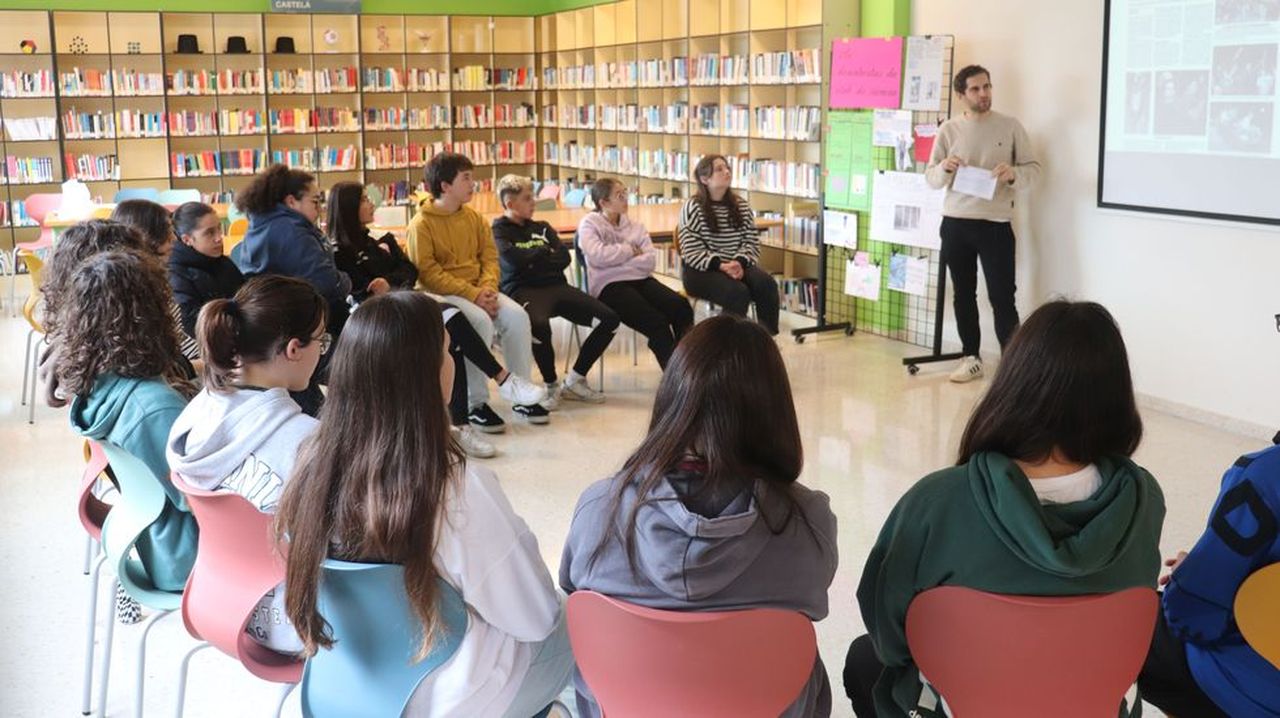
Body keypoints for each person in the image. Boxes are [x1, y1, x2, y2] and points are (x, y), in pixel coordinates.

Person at [844, 300, 1165, 718]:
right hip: (1088, 704)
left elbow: (888, 632)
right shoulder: (1143, 500)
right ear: (1117, 398)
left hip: (963, 705)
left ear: (1013, 383)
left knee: (865, 659)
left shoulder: (937, 501)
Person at [275, 291, 573, 717]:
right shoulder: (455, 487)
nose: (451, 360)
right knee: (570, 617)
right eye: (449, 350)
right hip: (448, 698)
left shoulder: (308, 467)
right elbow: (532, 617)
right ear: (429, 373)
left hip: (342, 683)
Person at [560, 314, 838, 718]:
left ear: (672, 397)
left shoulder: (599, 508)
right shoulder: (808, 520)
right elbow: (811, 605)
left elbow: (574, 597)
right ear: (774, 410)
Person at [325, 181, 544, 459]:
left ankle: (466, 420)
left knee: (451, 333)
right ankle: (501, 383)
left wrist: (388, 284)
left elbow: (409, 271)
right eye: (364, 200)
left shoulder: (379, 238)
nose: (371, 204)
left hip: (402, 302)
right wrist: (383, 284)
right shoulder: (338, 252)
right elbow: (358, 290)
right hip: (377, 319)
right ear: (347, 208)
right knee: (451, 323)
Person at [166, 276, 326, 654]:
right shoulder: (307, 441)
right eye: (322, 340)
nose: (323, 351)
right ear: (293, 349)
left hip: (220, 601)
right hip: (298, 624)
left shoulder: (195, 415)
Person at [61, 249, 199, 595]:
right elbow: (195, 498)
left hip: (158, 543)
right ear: (150, 312)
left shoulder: (99, 384)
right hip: (191, 557)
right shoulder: (152, 407)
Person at [406, 152, 546, 430]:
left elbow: (490, 258)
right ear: (445, 186)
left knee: (518, 317)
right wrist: (474, 295)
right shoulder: (421, 224)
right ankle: (476, 403)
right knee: (478, 321)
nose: (474, 183)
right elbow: (428, 273)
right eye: (466, 178)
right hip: (443, 294)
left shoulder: (475, 218)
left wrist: (488, 290)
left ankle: (521, 394)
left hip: (480, 290)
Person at [1137, 446, 1280, 716]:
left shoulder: (1266, 473)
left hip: (1239, 692)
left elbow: (1192, 617)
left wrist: (1189, 574)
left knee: (1111, 618)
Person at [924, 64, 1041, 383]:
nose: (984, 94)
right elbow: (931, 177)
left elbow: (1033, 169)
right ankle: (971, 356)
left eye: (987, 86)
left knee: (1003, 297)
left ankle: (1011, 367)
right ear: (961, 95)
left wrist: (1014, 174)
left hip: (995, 224)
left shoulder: (1011, 126)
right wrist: (945, 169)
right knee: (963, 293)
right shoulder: (948, 129)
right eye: (975, 89)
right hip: (956, 223)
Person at [233, 163, 352, 415]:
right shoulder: (291, 231)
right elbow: (328, 283)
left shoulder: (264, 224)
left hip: (276, 324)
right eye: (315, 201)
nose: (320, 210)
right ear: (291, 201)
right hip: (296, 325)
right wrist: (346, 281)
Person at [492, 174, 618, 406]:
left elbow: (563, 258)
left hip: (557, 287)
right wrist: (542, 254)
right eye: (527, 198)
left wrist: (532, 260)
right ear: (510, 204)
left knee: (609, 319)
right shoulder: (499, 230)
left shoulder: (543, 227)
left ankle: (575, 379)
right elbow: (511, 260)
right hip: (523, 290)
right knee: (538, 323)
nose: (534, 203)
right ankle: (551, 385)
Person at [577, 178, 693, 369]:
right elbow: (597, 256)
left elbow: (649, 260)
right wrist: (629, 251)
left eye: (626, 193)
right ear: (603, 203)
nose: (626, 199)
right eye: (619, 195)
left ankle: (688, 365)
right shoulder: (589, 224)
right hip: (608, 286)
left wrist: (615, 261)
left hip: (640, 279)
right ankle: (677, 378)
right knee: (657, 324)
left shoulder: (635, 226)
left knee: (680, 306)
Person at [677, 154, 779, 336]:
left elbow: (751, 242)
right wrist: (720, 265)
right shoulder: (692, 206)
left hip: (736, 264)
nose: (726, 172)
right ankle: (725, 345)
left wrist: (739, 261)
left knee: (767, 284)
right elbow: (690, 249)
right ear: (704, 179)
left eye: (727, 168)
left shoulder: (741, 206)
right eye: (719, 169)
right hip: (701, 270)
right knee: (737, 293)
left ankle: (766, 340)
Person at [111, 199, 202, 361]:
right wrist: (207, 365)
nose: (174, 238)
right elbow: (153, 361)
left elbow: (178, 340)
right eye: (167, 231)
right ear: (146, 236)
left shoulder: (157, 278)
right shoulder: (131, 294)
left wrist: (209, 356)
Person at [168, 201, 244, 341]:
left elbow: (245, 292)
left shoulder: (221, 261)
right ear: (187, 239)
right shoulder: (176, 272)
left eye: (219, 229)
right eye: (209, 233)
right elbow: (191, 323)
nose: (218, 238)